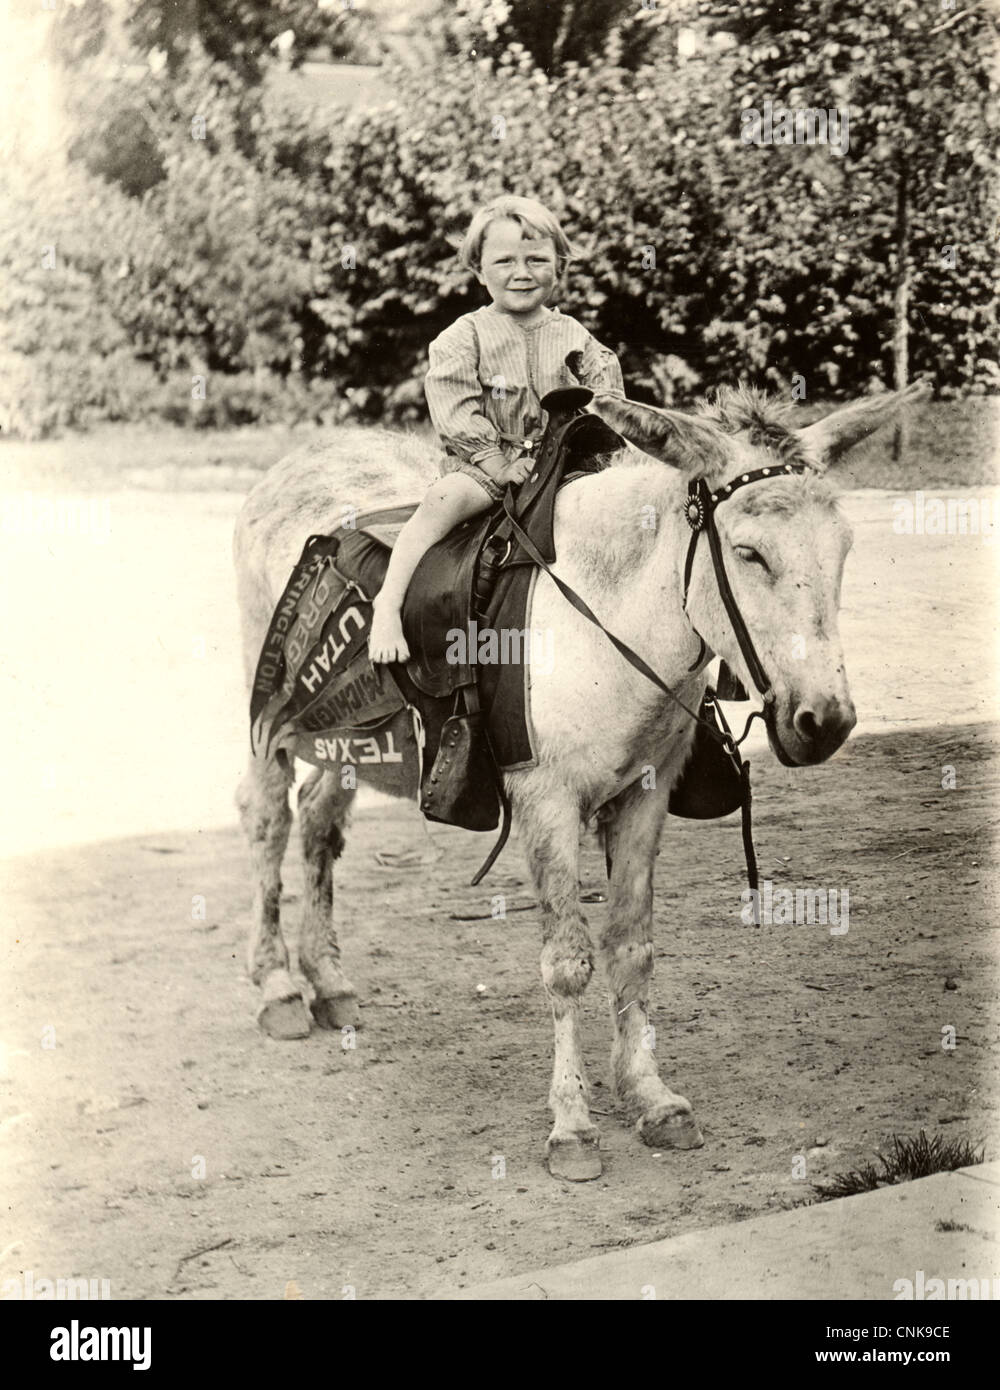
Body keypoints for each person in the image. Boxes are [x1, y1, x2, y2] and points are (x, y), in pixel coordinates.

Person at [366, 194, 625, 664]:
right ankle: (389, 603)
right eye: (504, 261)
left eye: (536, 260)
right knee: (442, 502)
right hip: (487, 463)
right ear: (479, 270)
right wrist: (499, 464)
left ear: (560, 266)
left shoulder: (575, 337)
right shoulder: (463, 337)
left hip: (563, 465)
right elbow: (456, 408)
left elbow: (606, 399)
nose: (520, 272)